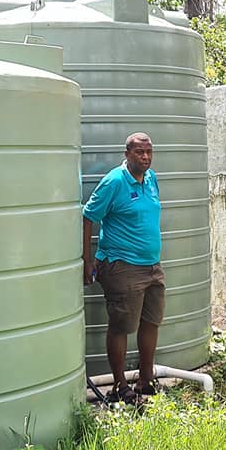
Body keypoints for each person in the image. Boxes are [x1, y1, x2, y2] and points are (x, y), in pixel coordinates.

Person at [82, 132, 164, 404]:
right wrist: (88, 260)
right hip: (121, 266)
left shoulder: (151, 179)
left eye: (149, 152)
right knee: (121, 326)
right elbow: (88, 216)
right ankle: (119, 385)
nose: (146, 157)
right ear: (127, 154)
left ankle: (145, 380)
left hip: (152, 266)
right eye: (140, 152)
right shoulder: (114, 181)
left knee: (151, 322)